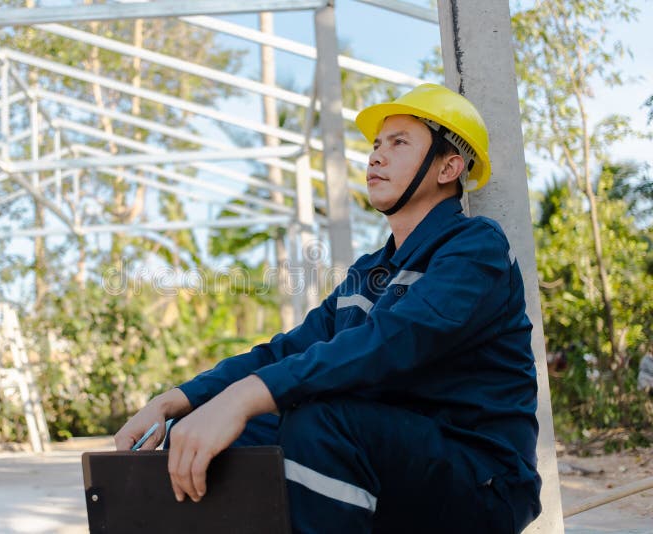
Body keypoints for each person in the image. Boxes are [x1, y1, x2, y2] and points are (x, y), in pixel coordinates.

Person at [114, 84, 542, 533]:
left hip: (484, 480)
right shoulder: (370, 272)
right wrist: (172, 405)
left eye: (399, 143)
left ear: (449, 166)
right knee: (217, 437)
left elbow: (392, 342)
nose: (376, 157)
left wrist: (242, 399)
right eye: (376, 145)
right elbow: (285, 352)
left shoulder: (476, 247)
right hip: (399, 464)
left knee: (320, 423)